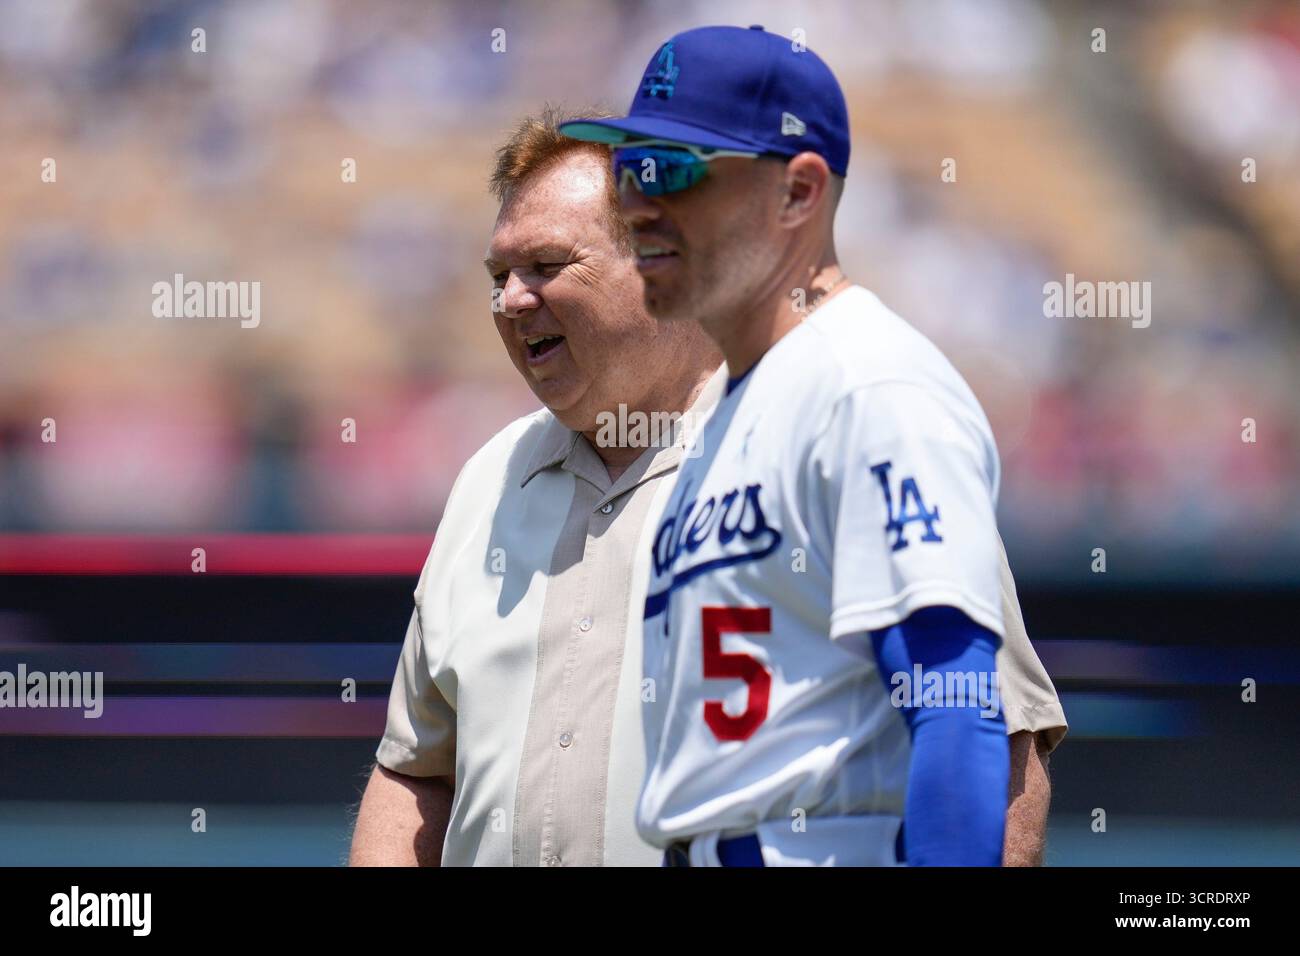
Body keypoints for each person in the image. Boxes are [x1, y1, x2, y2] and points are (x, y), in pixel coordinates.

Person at [348, 106, 1064, 866]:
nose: (513, 299)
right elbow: (417, 770)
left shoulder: (842, 441)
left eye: (548, 265)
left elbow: (997, 753)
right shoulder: (486, 483)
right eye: (500, 276)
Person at [562, 25, 1061, 866]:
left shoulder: (871, 385)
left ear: (798, 192)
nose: (640, 204)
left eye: (674, 169)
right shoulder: (732, 411)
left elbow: (954, 706)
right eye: (629, 170)